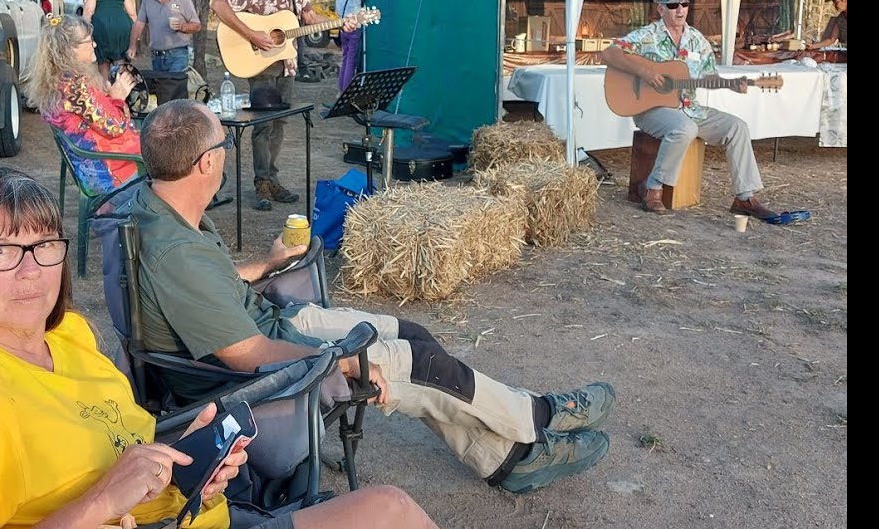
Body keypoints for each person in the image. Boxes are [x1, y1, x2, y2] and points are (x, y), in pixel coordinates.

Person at [0, 166, 440, 529]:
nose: (31, 271)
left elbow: (118, 438)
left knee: (390, 509)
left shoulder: (69, 336)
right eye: (0, 251)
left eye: (44, 246)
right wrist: (103, 501)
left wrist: (187, 463)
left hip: (193, 512)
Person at [131, 99, 615, 496]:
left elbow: (207, 284)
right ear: (207, 162)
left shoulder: (165, 208)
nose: (227, 151)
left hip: (269, 321)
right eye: (225, 142)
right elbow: (245, 356)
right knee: (424, 364)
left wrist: (269, 265)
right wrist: (339, 362)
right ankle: (538, 418)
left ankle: (511, 459)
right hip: (257, 370)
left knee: (411, 334)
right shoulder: (175, 253)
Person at [600, 0, 782, 219]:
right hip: (651, 109)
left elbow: (708, 76)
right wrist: (644, 72)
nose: (680, 9)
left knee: (737, 127)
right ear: (661, 8)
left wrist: (733, 84)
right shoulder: (647, 36)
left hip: (689, 107)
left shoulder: (697, 39)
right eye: (673, 4)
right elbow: (608, 53)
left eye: (684, 3)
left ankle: (744, 198)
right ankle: (652, 187)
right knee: (685, 128)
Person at [210, 0, 358, 211]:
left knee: (280, 121)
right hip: (258, 59)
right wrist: (253, 35)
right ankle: (261, 183)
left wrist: (341, 23)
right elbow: (219, 5)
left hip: (286, 59)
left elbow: (309, 16)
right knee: (262, 123)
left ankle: (273, 179)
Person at [28, 14, 140, 195]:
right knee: (172, 160)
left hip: (94, 163)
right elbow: (114, 127)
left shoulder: (58, 81)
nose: (94, 45)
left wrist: (108, 96)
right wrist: (118, 97)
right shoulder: (74, 85)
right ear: (69, 50)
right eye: (89, 41)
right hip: (109, 171)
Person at [129, 0, 202, 74]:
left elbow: (197, 25)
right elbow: (139, 23)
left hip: (178, 54)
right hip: (156, 55)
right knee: (160, 89)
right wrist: (132, 46)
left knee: (174, 87)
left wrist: (182, 27)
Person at [83, 0, 138, 79]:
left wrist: (85, 30)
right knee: (122, 61)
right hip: (122, 26)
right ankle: (123, 89)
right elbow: (132, 13)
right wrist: (136, 32)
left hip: (101, 27)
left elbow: (89, 11)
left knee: (103, 62)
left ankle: (107, 89)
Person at [335, 0, 364, 91]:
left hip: (343, 29)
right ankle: (346, 90)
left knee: (345, 58)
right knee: (351, 60)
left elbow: (337, 10)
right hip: (354, 29)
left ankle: (341, 89)